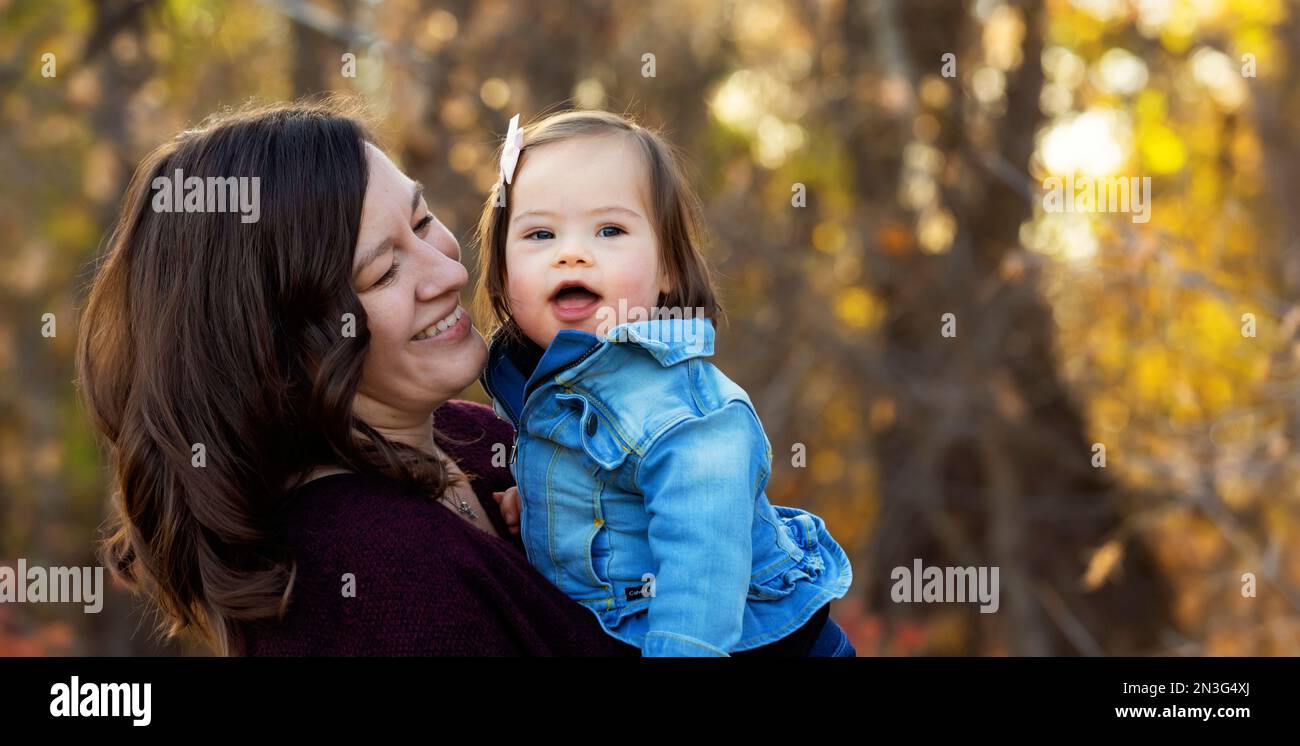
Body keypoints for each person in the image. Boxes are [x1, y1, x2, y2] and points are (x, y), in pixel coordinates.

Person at [76, 99, 638, 656]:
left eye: (421, 221)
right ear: (285, 345)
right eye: (384, 271)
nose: (449, 271)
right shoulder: (368, 582)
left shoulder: (483, 439)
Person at [473, 110, 855, 656]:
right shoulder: (540, 381)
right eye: (540, 233)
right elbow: (608, 490)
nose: (571, 252)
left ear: (668, 268)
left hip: (747, 644)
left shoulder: (680, 407)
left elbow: (705, 556)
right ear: (502, 271)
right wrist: (541, 506)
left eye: (610, 230)